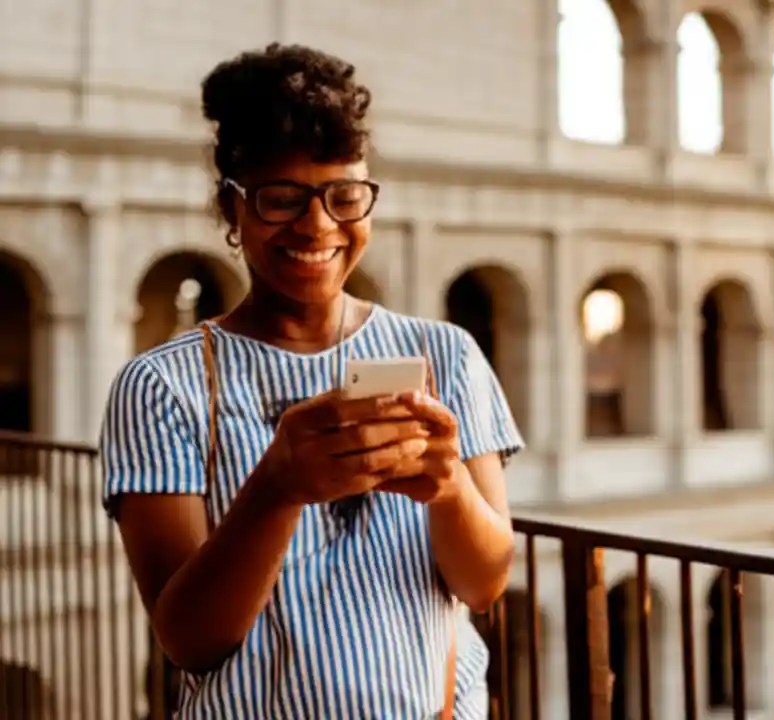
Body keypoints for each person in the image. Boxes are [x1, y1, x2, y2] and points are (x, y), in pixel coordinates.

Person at [98, 43, 523, 719]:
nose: (319, 224)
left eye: (344, 195)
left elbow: (483, 585)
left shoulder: (446, 354)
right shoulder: (162, 386)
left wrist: (449, 490)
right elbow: (190, 641)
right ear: (231, 209)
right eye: (282, 199)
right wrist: (276, 488)